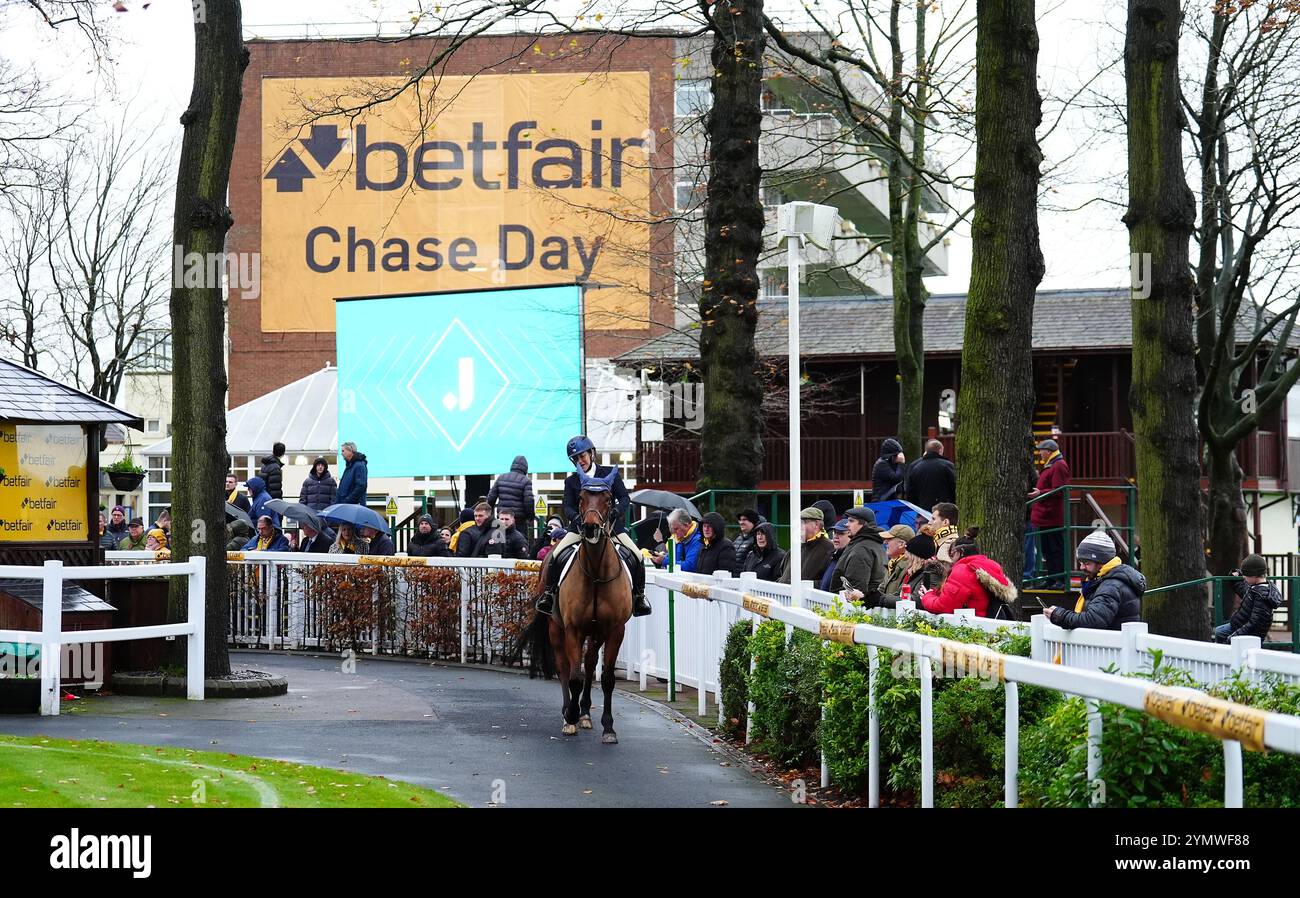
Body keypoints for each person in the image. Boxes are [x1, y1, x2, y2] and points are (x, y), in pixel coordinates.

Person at [538, 434, 650, 617]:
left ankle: (639, 598)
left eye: (582, 456)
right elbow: (567, 506)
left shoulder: (608, 474)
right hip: (580, 529)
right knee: (556, 556)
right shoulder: (571, 481)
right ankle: (549, 595)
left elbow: (624, 498)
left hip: (611, 529)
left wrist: (615, 513)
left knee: (637, 556)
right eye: (575, 458)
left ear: (591, 453)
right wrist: (576, 519)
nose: (579, 461)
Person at [1043, 530, 1144, 631]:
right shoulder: (1106, 580)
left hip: (1110, 644)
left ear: (1102, 562)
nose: (1082, 567)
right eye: (1080, 562)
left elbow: (1093, 620)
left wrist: (1061, 616)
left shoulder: (1111, 586)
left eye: (1086, 563)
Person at [920, 528, 1017, 618]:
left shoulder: (963, 571)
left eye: (952, 555)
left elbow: (944, 607)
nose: (951, 560)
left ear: (960, 552)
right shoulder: (991, 566)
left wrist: (927, 596)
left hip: (971, 627)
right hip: (988, 624)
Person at [1028, 438, 1071, 588]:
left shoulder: (1058, 466)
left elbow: (1059, 490)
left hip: (1052, 516)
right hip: (1047, 516)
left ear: (1049, 452)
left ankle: (1060, 579)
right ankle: (1052, 578)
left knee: (1055, 549)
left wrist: (1041, 492)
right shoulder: (1053, 465)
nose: (1040, 453)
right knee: (1048, 549)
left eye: (1041, 451)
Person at [1216, 554, 1283, 643]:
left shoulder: (1262, 596)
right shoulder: (1256, 587)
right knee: (1219, 631)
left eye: (1246, 574)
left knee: (1220, 633)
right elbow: (1243, 590)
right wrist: (1235, 578)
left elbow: (1254, 624)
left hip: (1247, 631)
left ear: (1254, 575)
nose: (1243, 577)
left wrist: (1234, 636)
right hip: (1239, 624)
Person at [831, 506, 887, 605]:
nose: (847, 525)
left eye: (851, 521)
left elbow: (855, 589)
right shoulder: (873, 543)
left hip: (851, 607)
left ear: (863, 524)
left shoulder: (862, 549)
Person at [778, 507, 835, 585]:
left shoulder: (829, 548)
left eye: (803, 522)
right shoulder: (796, 548)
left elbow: (827, 583)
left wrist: (801, 586)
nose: (799, 526)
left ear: (816, 524)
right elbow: (783, 576)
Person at [905, 439, 956, 512]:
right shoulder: (947, 465)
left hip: (922, 510)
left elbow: (910, 492)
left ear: (926, 451)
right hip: (944, 511)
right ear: (940, 450)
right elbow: (954, 487)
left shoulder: (915, 467)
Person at [487, 456, 535, 527]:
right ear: (525, 468)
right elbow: (529, 502)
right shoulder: (526, 480)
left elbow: (491, 498)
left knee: (501, 537)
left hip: (502, 517)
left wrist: (490, 514)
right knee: (519, 537)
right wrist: (530, 517)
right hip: (518, 519)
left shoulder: (501, 477)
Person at [898, 532, 944, 604]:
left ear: (917, 558)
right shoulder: (912, 573)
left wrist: (881, 599)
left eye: (909, 554)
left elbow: (916, 600)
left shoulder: (931, 574)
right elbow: (898, 594)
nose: (906, 557)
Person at [878, 523, 917, 598]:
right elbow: (881, 591)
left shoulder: (909, 567)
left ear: (901, 544)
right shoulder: (893, 563)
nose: (885, 542)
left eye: (889, 539)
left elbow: (899, 597)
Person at [695, 512, 739, 576]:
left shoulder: (726, 547)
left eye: (709, 526)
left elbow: (726, 575)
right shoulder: (704, 546)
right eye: (704, 526)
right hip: (703, 585)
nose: (706, 529)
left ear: (717, 527)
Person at [818, 519, 852, 592]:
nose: (836, 536)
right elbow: (825, 582)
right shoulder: (832, 555)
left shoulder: (851, 558)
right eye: (835, 533)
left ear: (851, 535)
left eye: (841, 533)